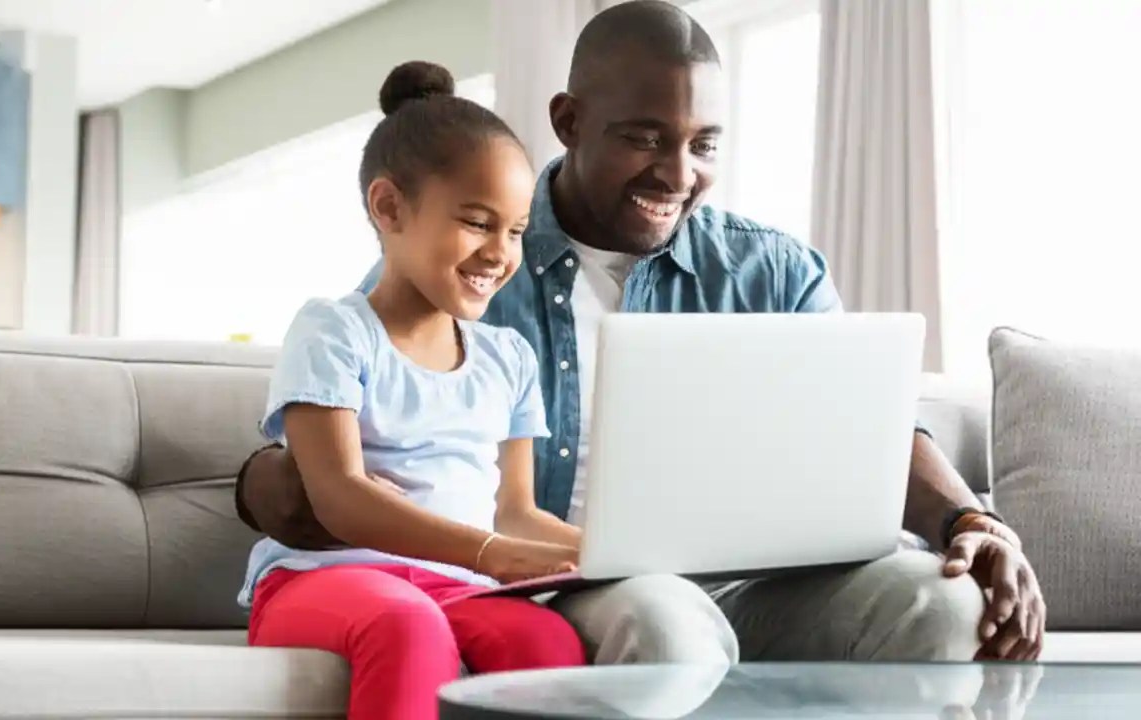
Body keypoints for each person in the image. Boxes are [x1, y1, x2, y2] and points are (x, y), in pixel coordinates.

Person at [238, 0, 1046, 668]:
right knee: (666, 621)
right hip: (581, 578)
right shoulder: (465, 268)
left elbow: (877, 434)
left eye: (703, 145)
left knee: (939, 602)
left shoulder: (771, 272)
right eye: (644, 138)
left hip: (762, 581)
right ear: (569, 121)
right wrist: (262, 481)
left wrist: (975, 521)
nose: (677, 173)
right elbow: (353, 425)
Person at [239, 61, 598, 720]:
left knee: (544, 639)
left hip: (454, 583)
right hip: (320, 579)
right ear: (389, 207)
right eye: (475, 221)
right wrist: (492, 554)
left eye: (515, 230)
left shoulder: (508, 357)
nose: (499, 251)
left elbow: (515, 511)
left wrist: (606, 545)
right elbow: (341, 498)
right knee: (407, 625)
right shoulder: (335, 329)